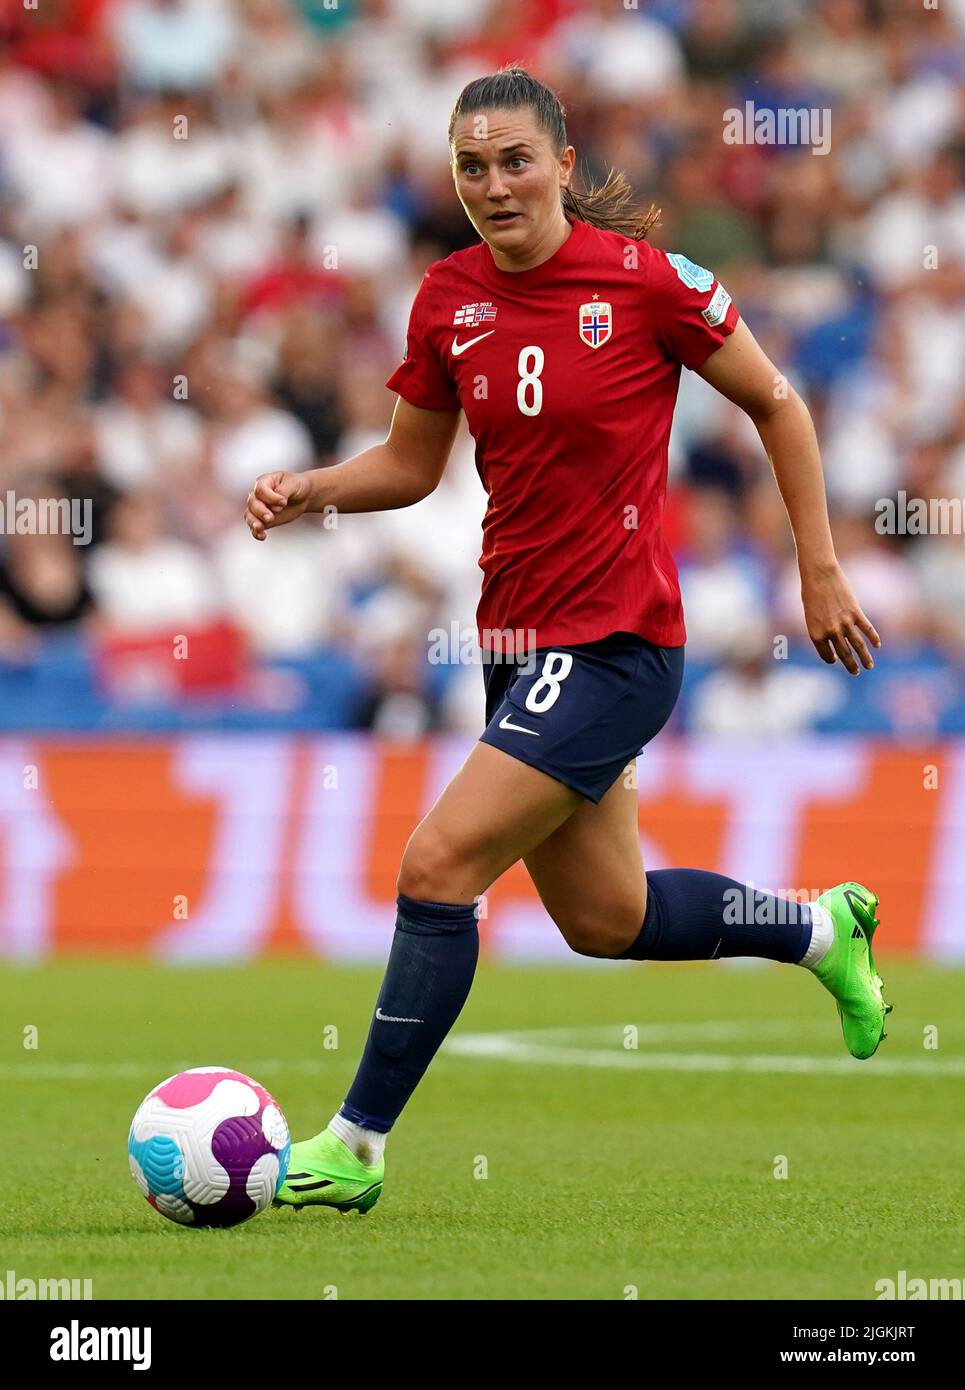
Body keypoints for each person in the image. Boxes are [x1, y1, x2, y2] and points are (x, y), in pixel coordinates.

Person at [244, 68, 890, 1216]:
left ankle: (354, 1141)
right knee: (607, 920)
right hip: (515, 640)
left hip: (616, 644)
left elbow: (778, 404)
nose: (493, 185)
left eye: (513, 161)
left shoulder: (644, 282)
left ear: (559, 162)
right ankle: (816, 928)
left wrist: (817, 565)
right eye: (470, 167)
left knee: (435, 869)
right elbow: (410, 465)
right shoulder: (447, 297)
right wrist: (312, 491)